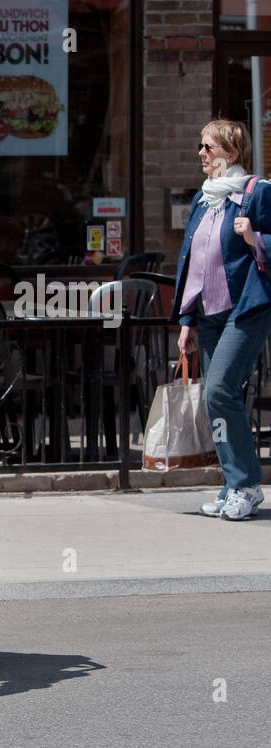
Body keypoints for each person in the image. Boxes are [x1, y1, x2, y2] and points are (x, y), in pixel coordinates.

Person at [174, 119, 271, 520]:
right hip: (208, 314)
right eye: (201, 146)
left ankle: (247, 484)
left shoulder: (256, 193)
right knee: (221, 399)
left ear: (231, 154)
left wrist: (255, 237)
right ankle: (233, 485)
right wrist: (186, 319)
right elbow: (193, 259)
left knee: (219, 392)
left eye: (208, 147)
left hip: (245, 310)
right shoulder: (205, 199)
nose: (201, 153)